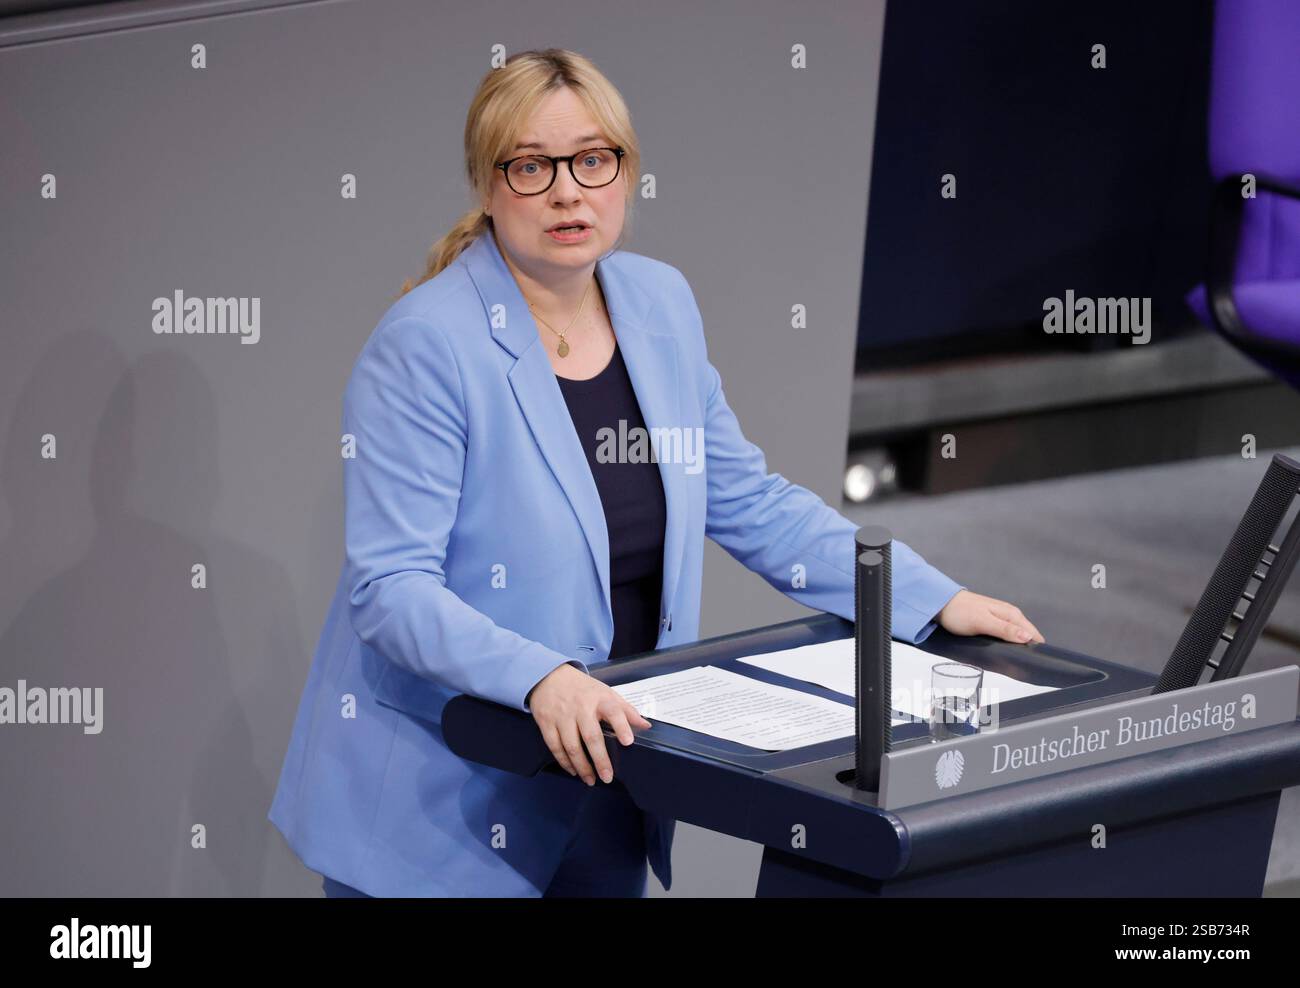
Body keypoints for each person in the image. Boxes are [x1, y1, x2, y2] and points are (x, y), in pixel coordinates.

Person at [268, 48, 1045, 899]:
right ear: (489, 186)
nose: (568, 191)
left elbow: (747, 499)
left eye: (593, 160)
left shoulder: (657, 303)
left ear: (625, 173)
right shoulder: (426, 345)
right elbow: (390, 589)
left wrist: (925, 598)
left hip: (610, 776)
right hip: (446, 803)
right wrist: (539, 677)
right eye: (532, 166)